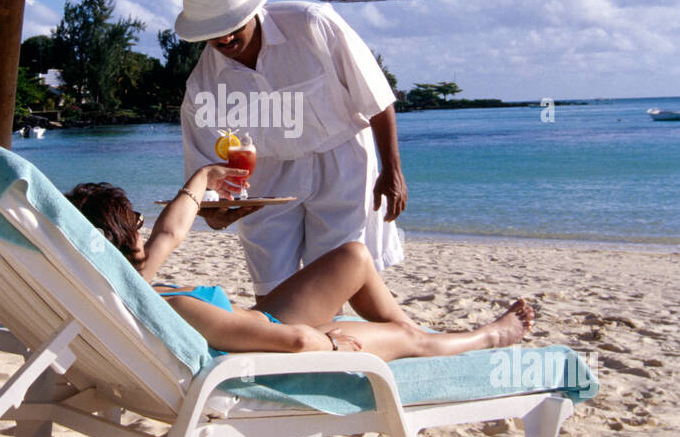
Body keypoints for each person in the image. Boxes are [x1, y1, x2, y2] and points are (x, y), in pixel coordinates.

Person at [64, 166, 534, 362]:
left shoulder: (119, 283)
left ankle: (417, 341)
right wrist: (331, 347)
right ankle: (484, 337)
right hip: (284, 340)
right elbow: (291, 342)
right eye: (135, 222)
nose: (146, 227)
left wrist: (204, 177)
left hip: (265, 317)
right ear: (121, 239)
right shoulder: (177, 311)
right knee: (407, 337)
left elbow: (172, 231)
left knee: (353, 254)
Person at [175, 0, 408, 298]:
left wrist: (393, 170)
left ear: (254, 11)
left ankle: (327, 346)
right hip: (265, 178)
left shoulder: (314, 24)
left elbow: (376, 97)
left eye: (233, 24)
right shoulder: (202, 85)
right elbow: (203, 168)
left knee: (335, 281)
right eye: (213, 30)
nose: (224, 36)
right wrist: (212, 212)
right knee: (271, 291)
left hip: (341, 163)